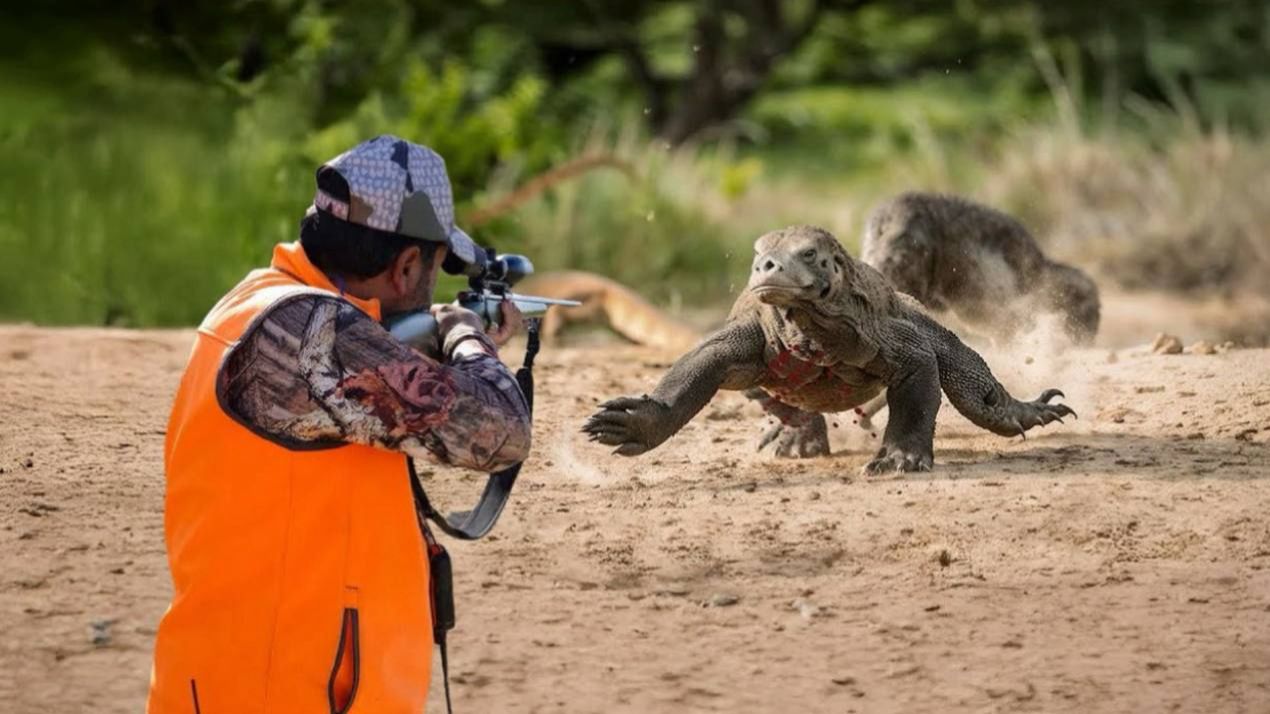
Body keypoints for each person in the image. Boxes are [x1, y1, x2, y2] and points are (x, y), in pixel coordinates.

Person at [147, 135, 532, 713]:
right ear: (405, 265)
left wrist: (428, 345)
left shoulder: (266, 305)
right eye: (431, 267)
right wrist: (466, 337)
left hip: (272, 683)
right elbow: (500, 433)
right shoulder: (310, 331)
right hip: (278, 692)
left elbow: (362, 394)